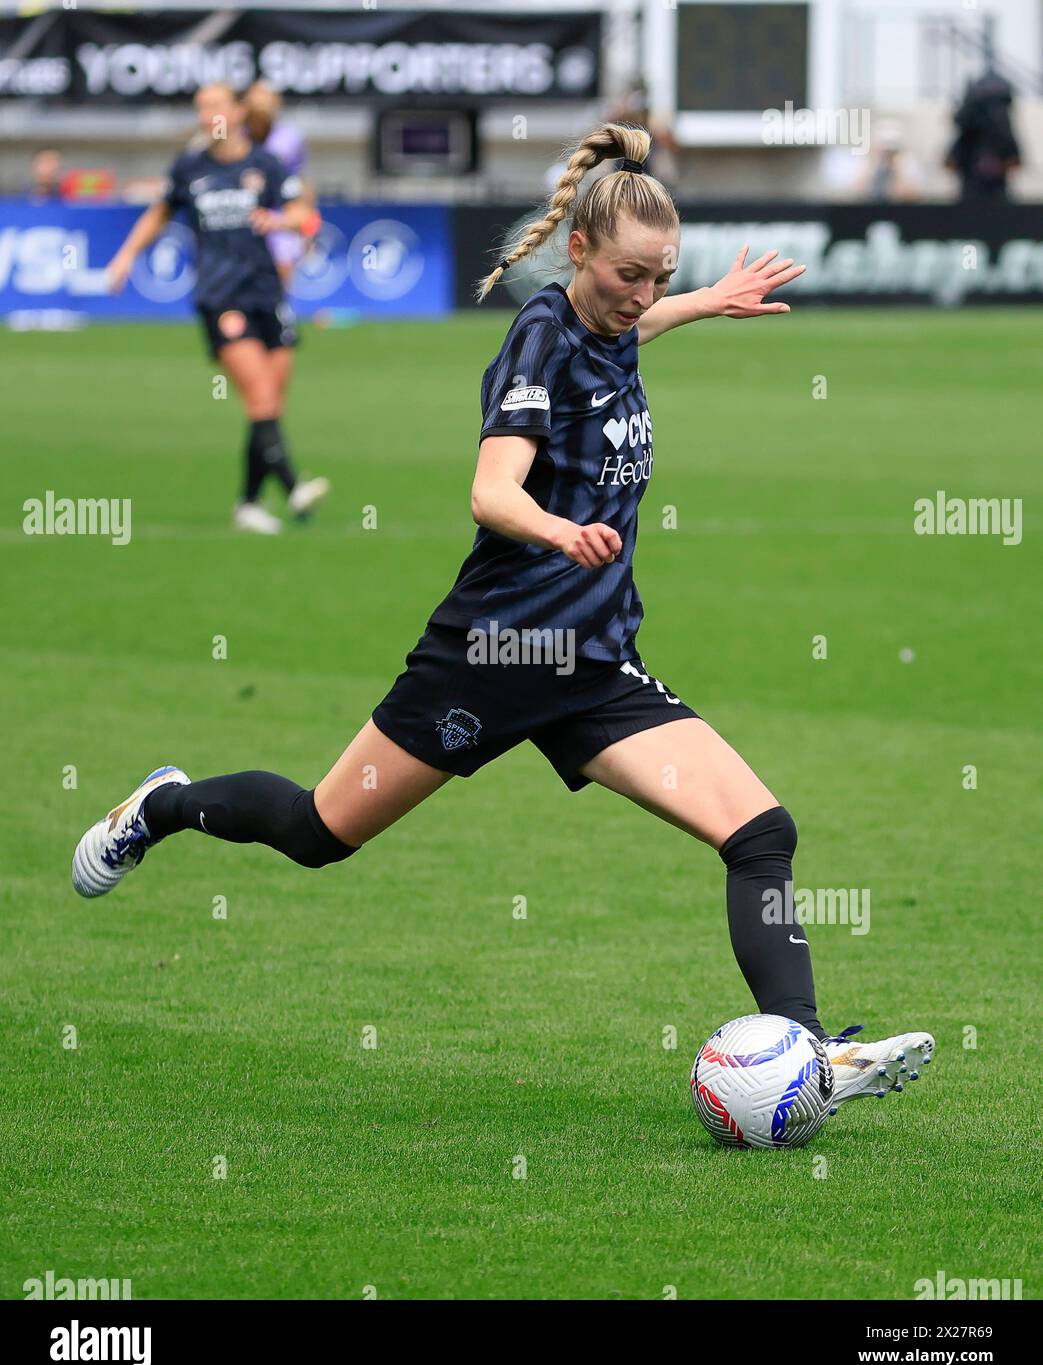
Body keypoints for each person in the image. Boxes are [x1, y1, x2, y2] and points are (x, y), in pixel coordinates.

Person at [73, 122, 933, 1112]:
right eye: (628, 276)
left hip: (593, 670)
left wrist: (706, 301)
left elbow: (629, 334)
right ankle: (161, 804)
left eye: (661, 275)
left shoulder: (613, 326)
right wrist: (562, 533)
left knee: (758, 831)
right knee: (320, 830)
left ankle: (814, 1052)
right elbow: (491, 492)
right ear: (576, 252)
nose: (642, 295)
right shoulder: (538, 336)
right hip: (487, 659)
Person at [105, 83, 329, 535]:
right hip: (220, 298)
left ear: (236, 111)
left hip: (267, 295)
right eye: (201, 107)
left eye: (215, 105)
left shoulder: (264, 165)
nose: (208, 114)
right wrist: (126, 254)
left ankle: (247, 504)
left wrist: (280, 219)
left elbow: (305, 216)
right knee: (261, 397)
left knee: (268, 405)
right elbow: (160, 212)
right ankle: (291, 487)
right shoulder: (190, 167)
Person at [243, 81, 315, 290]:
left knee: (279, 279)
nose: (260, 104)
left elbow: (300, 185)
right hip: (243, 216)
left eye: (266, 98)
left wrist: (308, 230)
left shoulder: (288, 138)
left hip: (280, 215)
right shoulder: (235, 135)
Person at [946, 69, 1021, 202]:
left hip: (996, 196)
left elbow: (1014, 162)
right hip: (971, 195)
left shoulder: (1003, 131)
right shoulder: (968, 133)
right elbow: (950, 163)